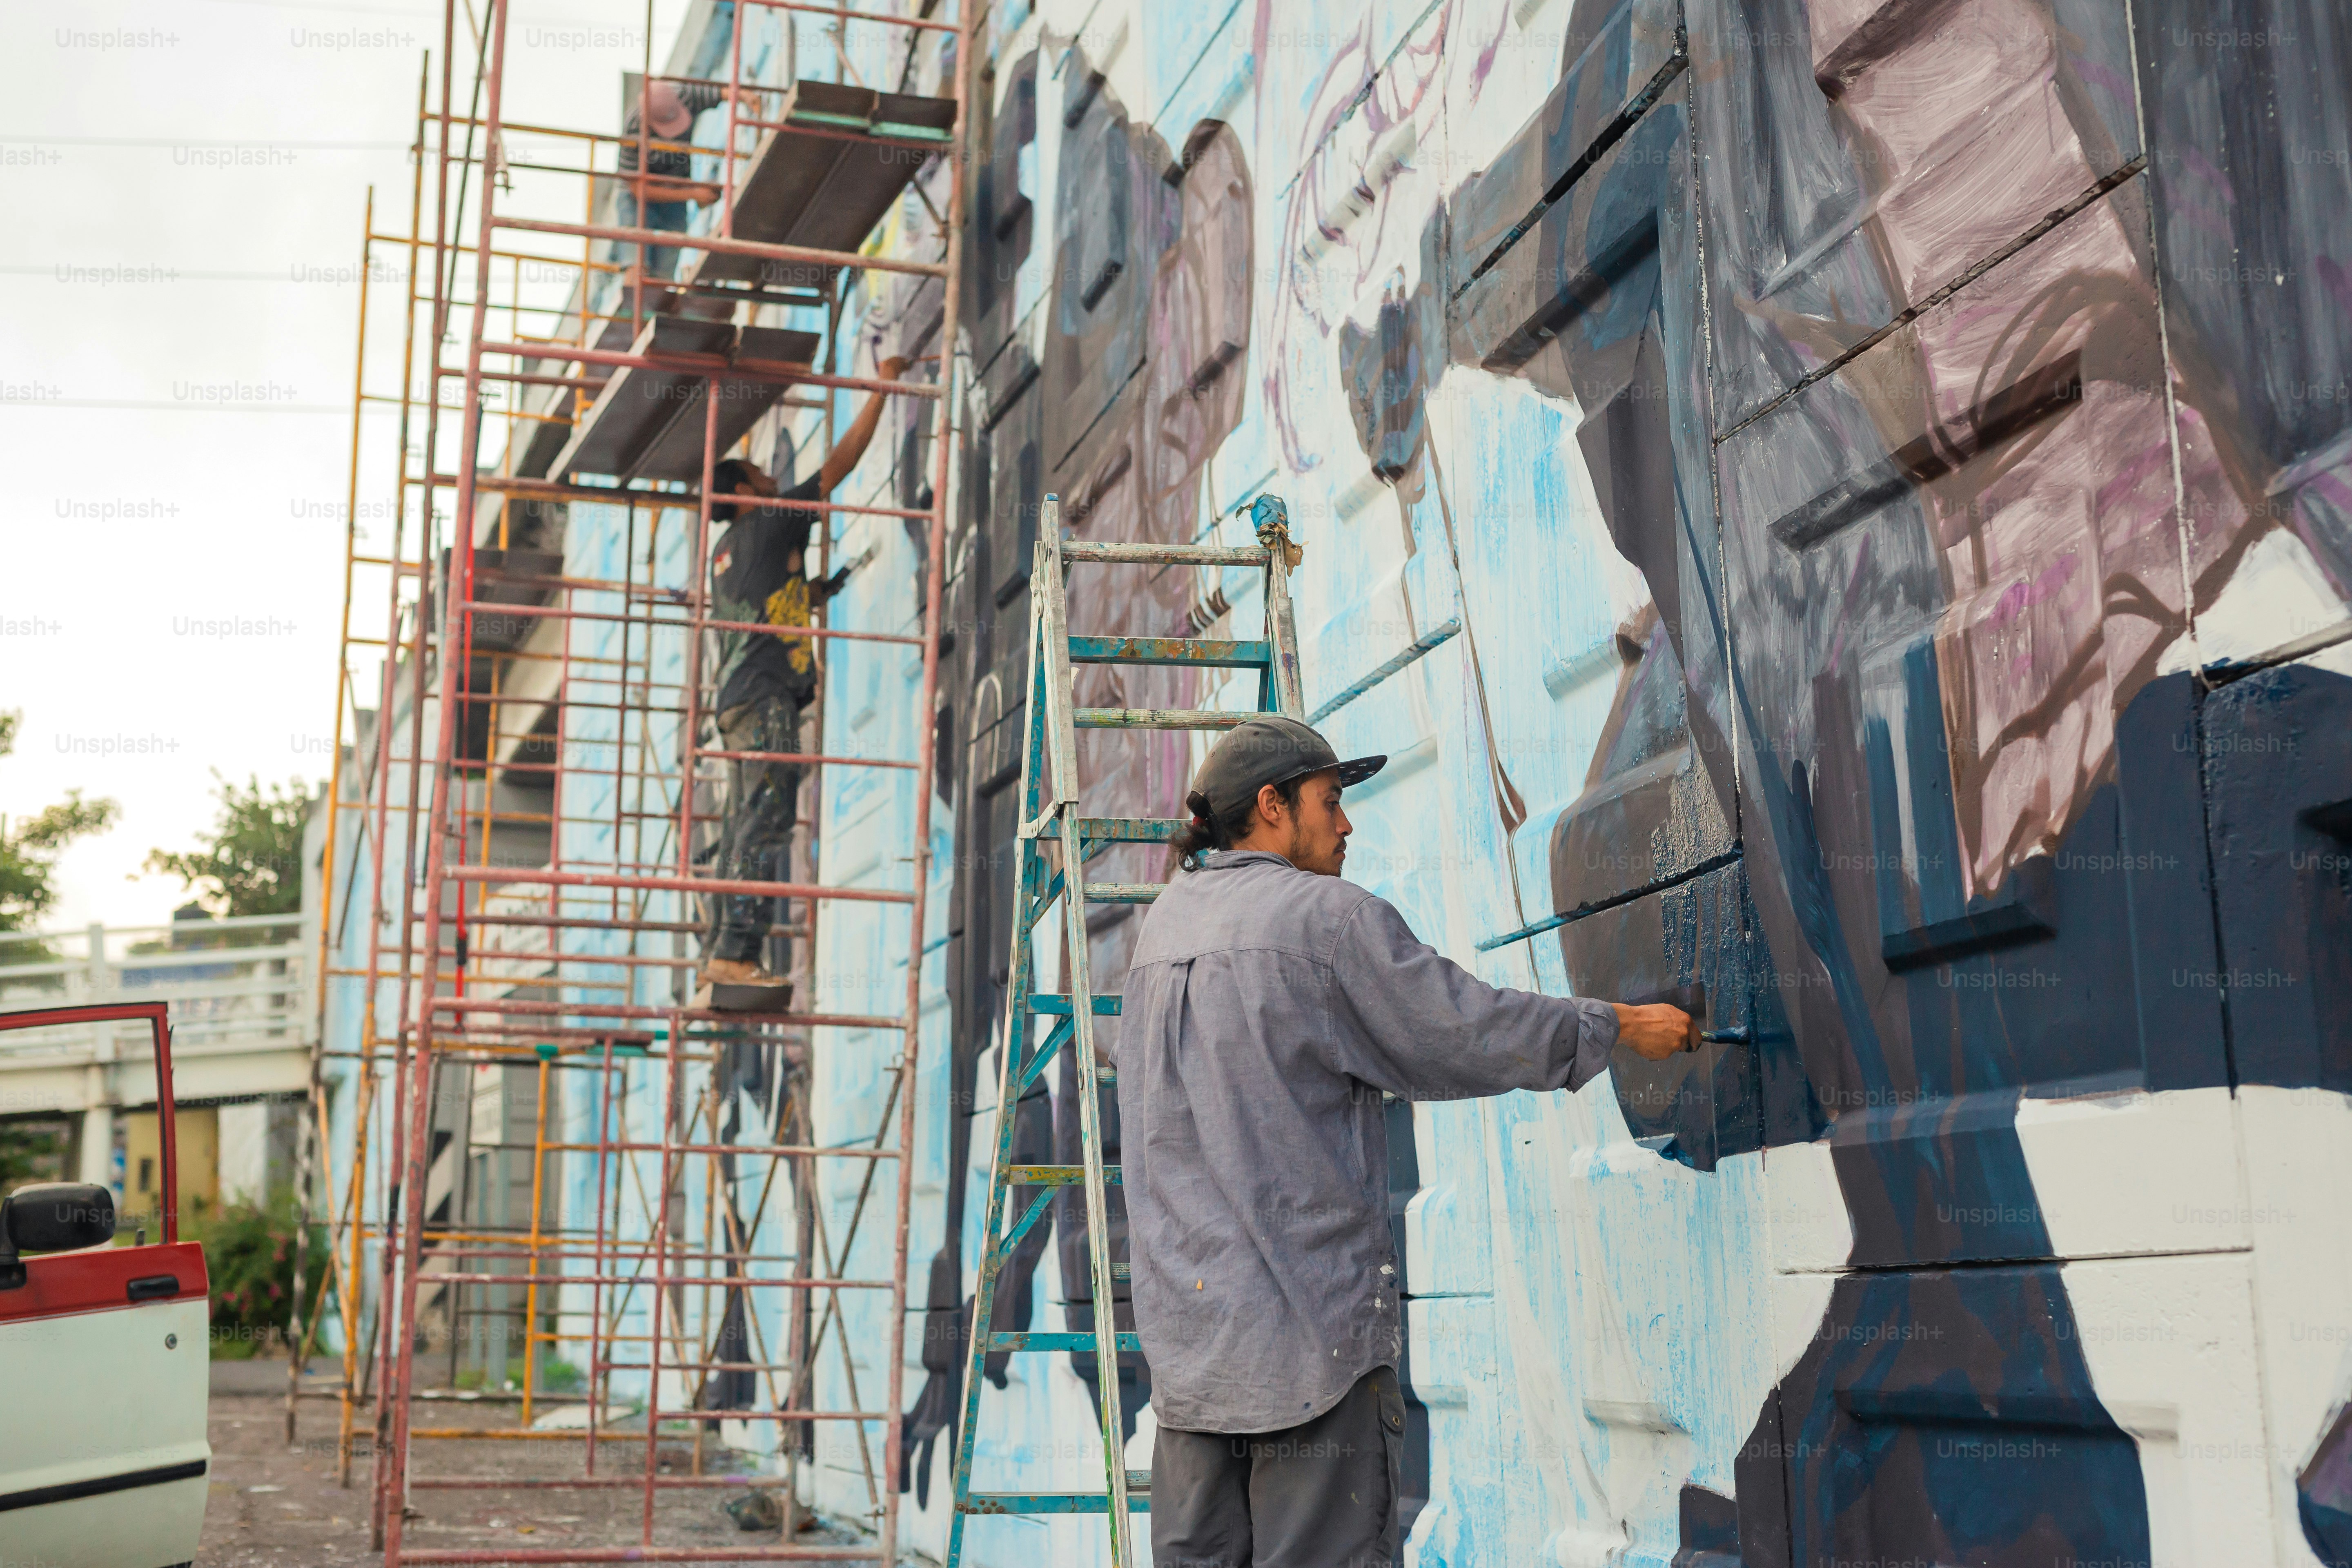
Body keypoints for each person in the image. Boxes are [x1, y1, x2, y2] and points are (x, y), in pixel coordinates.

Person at [1119, 715, 1700, 1566]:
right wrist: (1611, 1026)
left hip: (1193, 1366)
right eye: (1331, 802)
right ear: (1273, 807)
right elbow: (1462, 1030)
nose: (1348, 824)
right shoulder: (1325, 921)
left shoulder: (1163, 929)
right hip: (1305, 1358)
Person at [699, 356, 912, 1000]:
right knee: (764, 821)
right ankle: (737, 955)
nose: (773, 482)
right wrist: (881, 388)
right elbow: (838, 467)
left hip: (738, 705)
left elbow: (775, 608)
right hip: (765, 703)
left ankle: (724, 951)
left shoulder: (726, 556)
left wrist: (818, 589)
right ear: (740, 492)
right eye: (762, 477)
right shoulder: (767, 521)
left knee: (742, 824)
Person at [614, 80, 724, 303]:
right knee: (637, 265)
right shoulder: (634, 128)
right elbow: (638, 189)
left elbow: (729, 92)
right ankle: (631, 318)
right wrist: (693, 194)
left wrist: (751, 101)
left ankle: (655, 309)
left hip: (675, 191)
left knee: (664, 274)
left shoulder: (686, 96)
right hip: (639, 198)